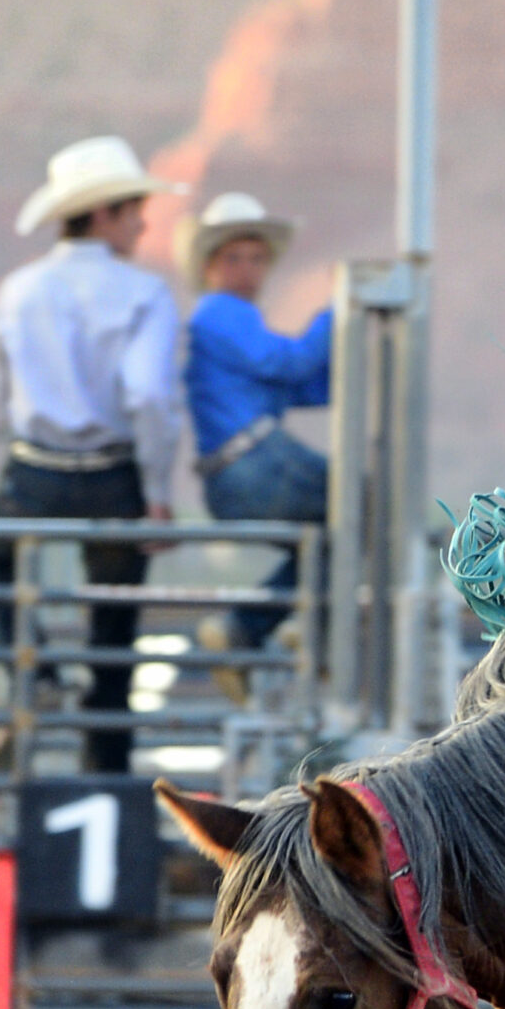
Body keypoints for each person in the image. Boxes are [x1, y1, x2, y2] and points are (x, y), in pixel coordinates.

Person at [0, 136, 186, 776]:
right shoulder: (144, 295)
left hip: (34, 471)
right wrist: (156, 490)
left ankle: (35, 666)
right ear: (103, 214)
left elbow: (7, 386)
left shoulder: (17, 290)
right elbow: (151, 395)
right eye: (133, 209)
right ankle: (106, 776)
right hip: (112, 476)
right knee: (112, 636)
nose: (143, 222)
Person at [178, 193, 332, 694]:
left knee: (335, 538)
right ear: (209, 267)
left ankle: (272, 625)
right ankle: (298, 631)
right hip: (255, 460)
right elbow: (286, 365)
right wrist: (338, 313)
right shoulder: (221, 312)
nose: (248, 269)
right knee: (366, 509)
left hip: (238, 469)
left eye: (257, 258)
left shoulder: (227, 323)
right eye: (234, 258)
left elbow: (299, 384)